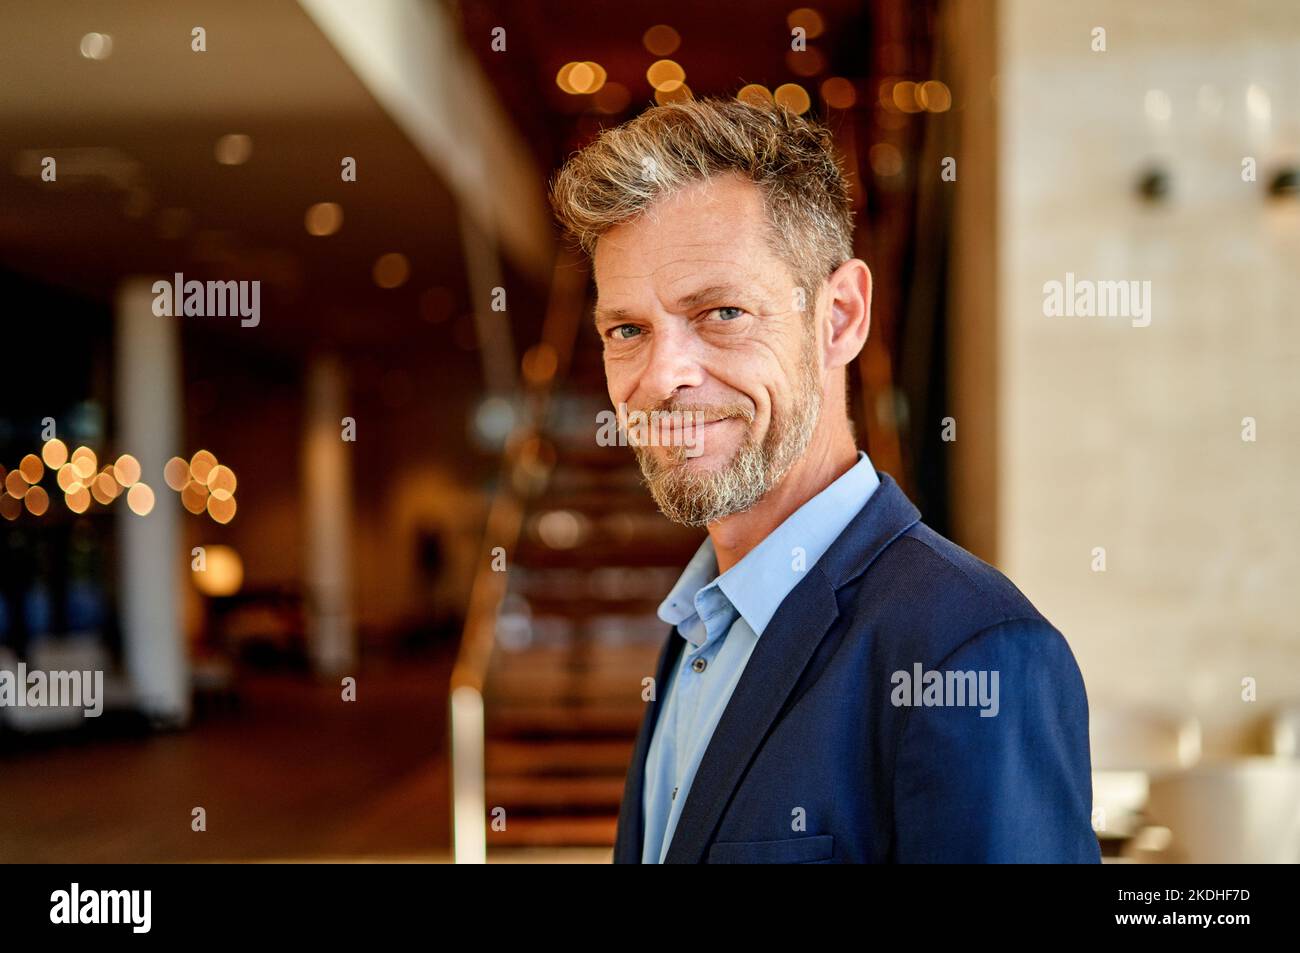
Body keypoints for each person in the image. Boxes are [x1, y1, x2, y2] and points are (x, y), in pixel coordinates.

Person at [549, 98, 1099, 863]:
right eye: (627, 330)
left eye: (721, 312)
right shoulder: (703, 623)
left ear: (839, 316)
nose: (661, 376)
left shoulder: (971, 650)